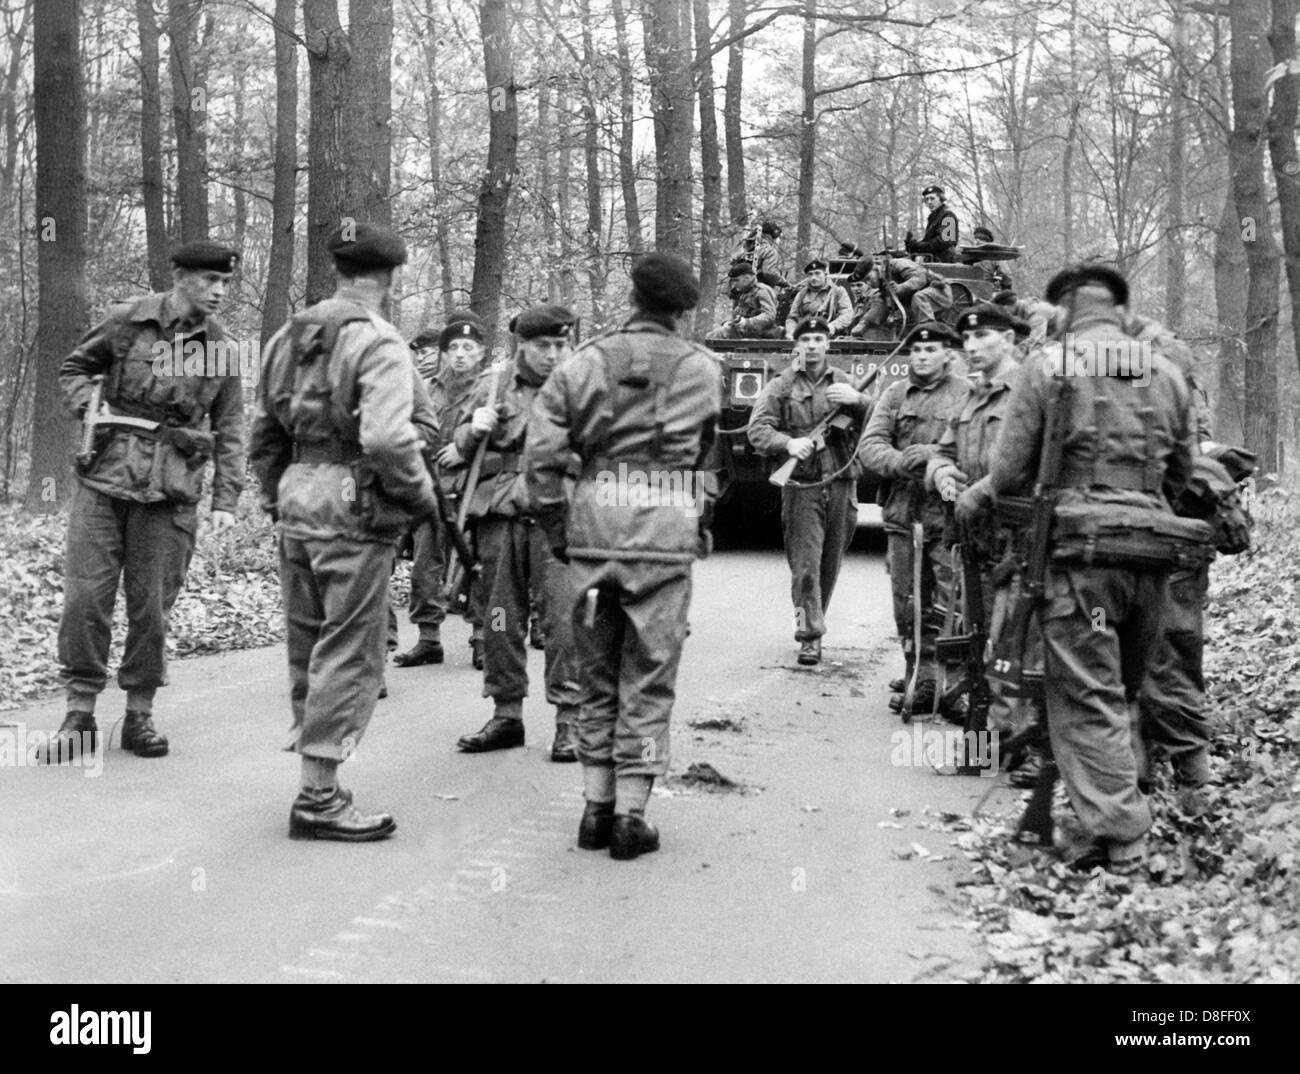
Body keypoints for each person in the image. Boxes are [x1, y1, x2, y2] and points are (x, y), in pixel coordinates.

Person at [984, 263, 1196, 874]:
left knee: (1087, 695)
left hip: (1082, 560)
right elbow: (1181, 477)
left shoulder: (1048, 365)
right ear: (1121, 310)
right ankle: (1095, 822)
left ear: (1066, 310)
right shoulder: (1166, 371)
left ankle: (1125, 839)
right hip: (1152, 556)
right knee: (1122, 690)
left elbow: (1006, 477)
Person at [525, 252, 721, 860]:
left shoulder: (582, 364)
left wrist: (559, 526)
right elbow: (708, 463)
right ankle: (632, 817)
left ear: (631, 297)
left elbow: (541, 459)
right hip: (663, 538)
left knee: (594, 671)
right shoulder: (703, 370)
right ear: (684, 310)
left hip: (589, 534)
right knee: (650, 676)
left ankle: (594, 808)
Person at [250, 223, 438, 841]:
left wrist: (281, 492)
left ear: (339, 271)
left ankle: (315, 773)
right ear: (390, 276)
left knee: (308, 642)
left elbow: (263, 433)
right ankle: (319, 795)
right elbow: (387, 436)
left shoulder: (289, 333)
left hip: (298, 498)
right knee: (351, 651)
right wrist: (417, 494)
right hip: (354, 508)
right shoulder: (378, 341)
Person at [47, 240, 245, 764]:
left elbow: (230, 426)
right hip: (104, 478)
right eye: (210, 281)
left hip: (170, 489)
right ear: (179, 277)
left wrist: (226, 499)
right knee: (85, 599)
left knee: (152, 606)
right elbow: (73, 369)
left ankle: (139, 714)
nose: (220, 291)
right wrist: (85, 404)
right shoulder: (126, 321)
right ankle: (80, 712)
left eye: (225, 283)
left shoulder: (222, 347)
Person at [451, 305, 583, 761]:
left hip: (560, 520)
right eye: (542, 346)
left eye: (560, 345)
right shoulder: (493, 385)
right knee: (500, 617)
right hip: (502, 515)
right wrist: (473, 430)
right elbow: (458, 445)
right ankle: (507, 714)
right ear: (522, 346)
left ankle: (569, 722)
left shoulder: (582, 387)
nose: (552, 354)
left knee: (564, 622)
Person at [926, 303, 1039, 751]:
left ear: (1009, 341)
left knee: (1010, 639)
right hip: (974, 538)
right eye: (966, 340)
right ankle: (992, 730)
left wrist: (978, 492)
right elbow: (942, 449)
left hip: (1018, 534)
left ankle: (1010, 740)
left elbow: (1029, 463)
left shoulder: (1029, 392)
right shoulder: (970, 396)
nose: (970, 347)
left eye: (982, 339)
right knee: (976, 637)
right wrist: (940, 473)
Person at [858, 321, 969, 711]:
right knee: (907, 601)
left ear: (947, 355)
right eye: (916, 351)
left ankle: (951, 686)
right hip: (904, 512)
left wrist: (935, 459)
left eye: (931, 350)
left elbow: (973, 450)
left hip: (949, 517)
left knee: (950, 601)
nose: (922, 356)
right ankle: (918, 677)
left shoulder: (967, 393)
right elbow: (870, 446)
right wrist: (902, 461)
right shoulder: (894, 393)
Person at [748, 316, 869, 665]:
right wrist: (789, 443)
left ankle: (815, 618)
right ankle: (807, 633)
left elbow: (881, 422)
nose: (813, 345)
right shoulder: (782, 385)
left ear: (828, 344)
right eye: (806, 340)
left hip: (841, 483)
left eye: (819, 339)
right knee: (804, 568)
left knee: (829, 565)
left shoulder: (845, 382)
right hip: (802, 485)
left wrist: (858, 399)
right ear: (796, 345)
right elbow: (757, 430)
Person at [393, 314, 487, 668]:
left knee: (480, 566)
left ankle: (484, 637)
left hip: (476, 487)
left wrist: (465, 446)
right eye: (453, 349)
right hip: (431, 485)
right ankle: (428, 638)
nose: (459, 355)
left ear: (480, 353)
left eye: (467, 348)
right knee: (424, 566)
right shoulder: (428, 389)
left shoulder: (490, 388)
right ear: (443, 354)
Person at [851, 252, 953, 330]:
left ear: (875, 269)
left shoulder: (898, 264)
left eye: (868, 278)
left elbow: (920, 278)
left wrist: (900, 288)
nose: (869, 284)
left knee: (918, 296)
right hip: (916, 304)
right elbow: (881, 304)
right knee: (878, 298)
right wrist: (864, 323)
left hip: (940, 293)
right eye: (865, 281)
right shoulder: (882, 284)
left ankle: (928, 331)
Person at [783, 260, 854, 339]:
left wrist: (833, 326)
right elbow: (792, 317)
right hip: (804, 336)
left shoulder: (838, 292)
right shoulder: (801, 294)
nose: (813, 277)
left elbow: (847, 314)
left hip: (830, 337)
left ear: (825, 275)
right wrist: (791, 332)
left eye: (817, 273)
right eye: (810, 274)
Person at [716, 261, 779, 338]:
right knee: (715, 334)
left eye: (736, 280)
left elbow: (769, 316)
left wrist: (747, 322)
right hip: (748, 332)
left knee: (717, 335)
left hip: (762, 334)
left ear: (747, 278)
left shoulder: (762, 291)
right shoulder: (746, 293)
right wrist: (727, 322)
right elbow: (737, 313)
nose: (734, 284)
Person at [906, 184, 960, 262]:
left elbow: (946, 241)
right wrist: (913, 246)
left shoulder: (948, 216)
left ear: (941, 199)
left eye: (932, 198)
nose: (929, 202)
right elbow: (929, 241)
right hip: (932, 261)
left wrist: (920, 246)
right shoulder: (932, 219)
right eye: (926, 199)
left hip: (945, 262)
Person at [753, 222, 790, 290]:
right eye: (778, 237)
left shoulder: (750, 247)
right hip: (759, 290)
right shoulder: (770, 251)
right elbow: (769, 272)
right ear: (774, 236)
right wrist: (784, 283)